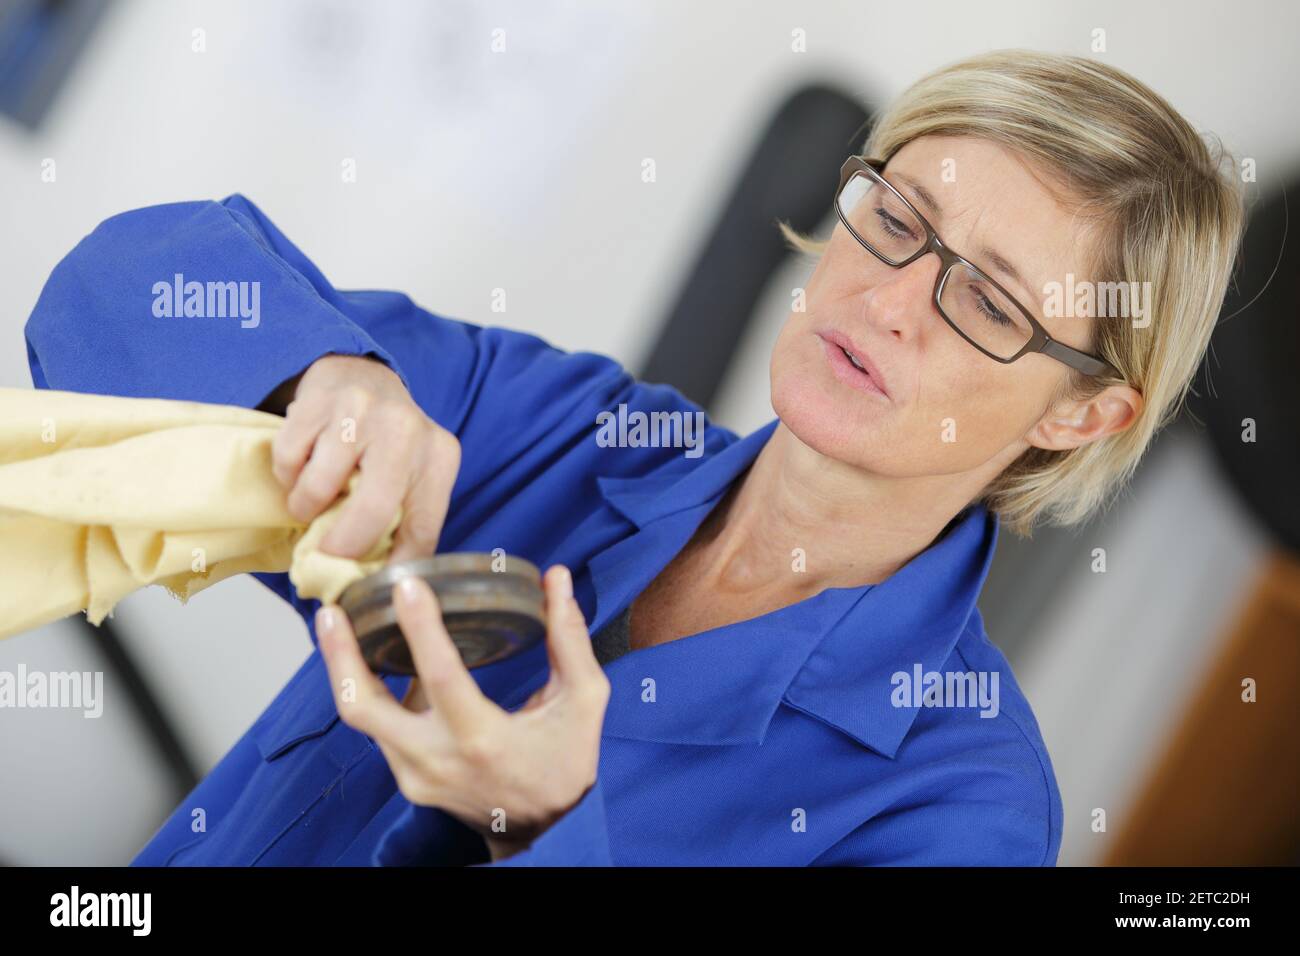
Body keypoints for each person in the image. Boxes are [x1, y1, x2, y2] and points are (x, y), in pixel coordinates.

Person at [23, 49, 1244, 865]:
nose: (889, 303)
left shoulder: (962, 806)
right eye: (898, 218)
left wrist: (547, 821)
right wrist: (330, 382)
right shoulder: (565, 434)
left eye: (987, 298)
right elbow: (136, 285)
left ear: (1082, 416)